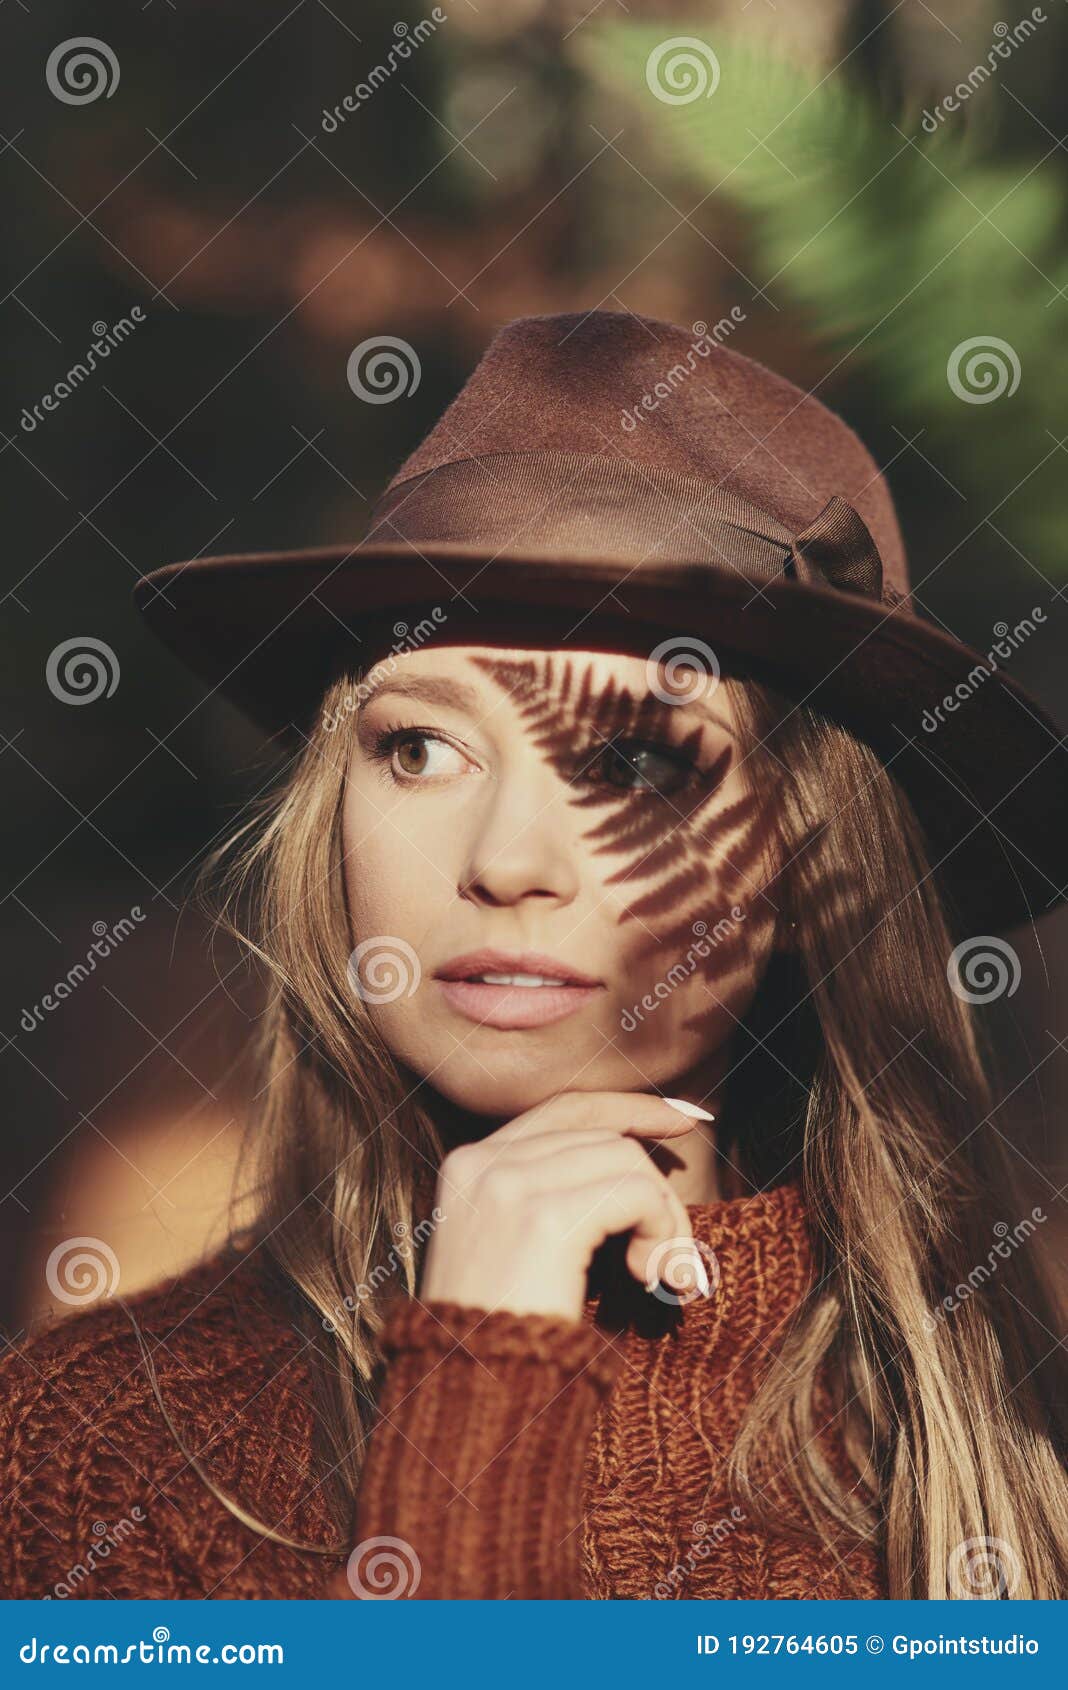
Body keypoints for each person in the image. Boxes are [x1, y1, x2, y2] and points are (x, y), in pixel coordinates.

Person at [2, 311, 1066, 1602]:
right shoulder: (105, 1442)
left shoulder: (1006, 1442)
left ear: (806, 854)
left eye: (637, 762)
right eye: (419, 748)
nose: (506, 860)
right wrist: (483, 1387)